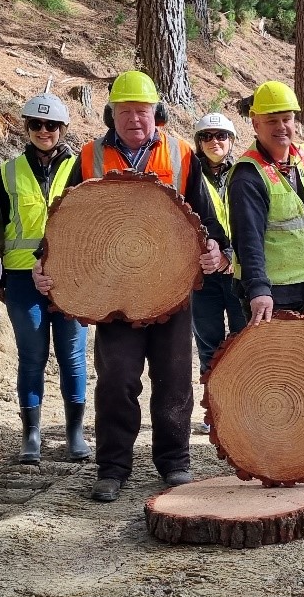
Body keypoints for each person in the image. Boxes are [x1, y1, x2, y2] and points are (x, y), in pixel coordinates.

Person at [50, 70, 228, 503]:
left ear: (156, 113)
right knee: (117, 380)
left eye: (142, 111)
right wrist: (47, 262)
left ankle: (174, 461)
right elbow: (65, 222)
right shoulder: (89, 157)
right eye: (125, 111)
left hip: (171, 289)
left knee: (173, 379)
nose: (134, 120)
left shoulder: (183, 154)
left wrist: (217, 251)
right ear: (111, 113)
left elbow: (209, 218)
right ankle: (113, 467)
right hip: (112, 293)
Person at [0, 84, 90, 465]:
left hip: (72, 277)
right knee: (31, 356)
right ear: (26, 127)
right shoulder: (8, 171)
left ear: (63, 129)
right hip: (20, 279)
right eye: (36, 123)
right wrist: (0, 276)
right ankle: (30, 436)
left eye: (51, 125)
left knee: (72, 356)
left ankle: (75, 433)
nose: (43, 131)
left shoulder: (81, 167)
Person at [227, 81, 304, 323]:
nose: (281, 127)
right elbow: (248, 239)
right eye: (272, 121)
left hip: (303, 283)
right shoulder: (248, 176)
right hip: (270, 292)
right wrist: (259, 289)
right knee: (272, 360)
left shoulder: (303, 156)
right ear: (255, 123)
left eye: (286, 119)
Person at [189, 112, 247, 433]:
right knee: (209, 343)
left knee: (241, 342)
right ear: (199, 142)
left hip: (237, 271)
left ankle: (240, 407)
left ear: (231, 141)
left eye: (221, 136)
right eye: (207, 136)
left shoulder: (244, 174)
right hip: (204, 273)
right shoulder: (189, 175)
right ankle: (215, 410)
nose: (215, 142)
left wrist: (231, 257)